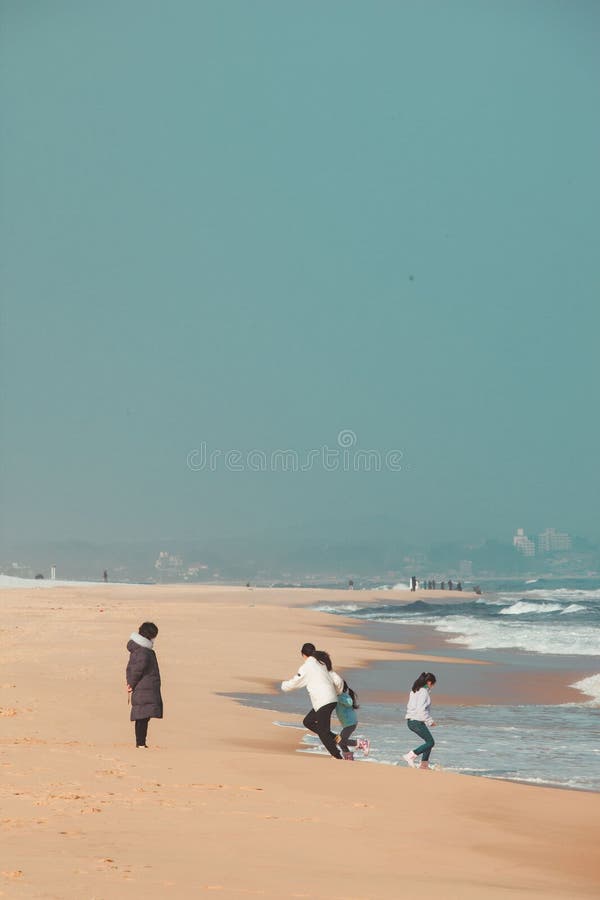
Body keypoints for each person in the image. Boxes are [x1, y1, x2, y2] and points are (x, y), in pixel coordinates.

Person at [281, 642, 344, 759]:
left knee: (323, 732)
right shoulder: (322, 663)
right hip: (330, 700)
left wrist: (284, 685)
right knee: (308, 721)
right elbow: (338, 680)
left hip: (323, 701)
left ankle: (337, 756)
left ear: (302, 654)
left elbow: (295, 682)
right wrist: (338, 693)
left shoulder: (306, 667)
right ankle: (335, 738)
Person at [126, 622, 163, 748]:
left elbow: (132, 669)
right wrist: (131, 683)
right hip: (144, 687)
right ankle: (140, 743)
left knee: (143, 716)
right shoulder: (143, 651)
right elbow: (137, 669)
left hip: (144, 686)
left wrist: (130, 683)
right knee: (142, 716)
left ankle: (141, 742)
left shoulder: (141, 649)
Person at [402, 672, 437, 770]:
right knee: (431, 742)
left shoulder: (415, 690)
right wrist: (430, 721)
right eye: (433, 684)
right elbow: (421, 709)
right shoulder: (423, 692)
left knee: (428, 742)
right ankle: (411, 755)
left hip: (413, 721)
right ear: (429, 682)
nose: (433, 686)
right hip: (416, 721)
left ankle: (424, 765)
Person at [335, 680, 369, 760]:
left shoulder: (343, 696)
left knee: (341, 741)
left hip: (350, 723)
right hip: (347, 723)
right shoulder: (338, 696)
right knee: (340, 741)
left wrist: (338, 698)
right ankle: (348, 756)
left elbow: (349, 702)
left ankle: (362, 743)